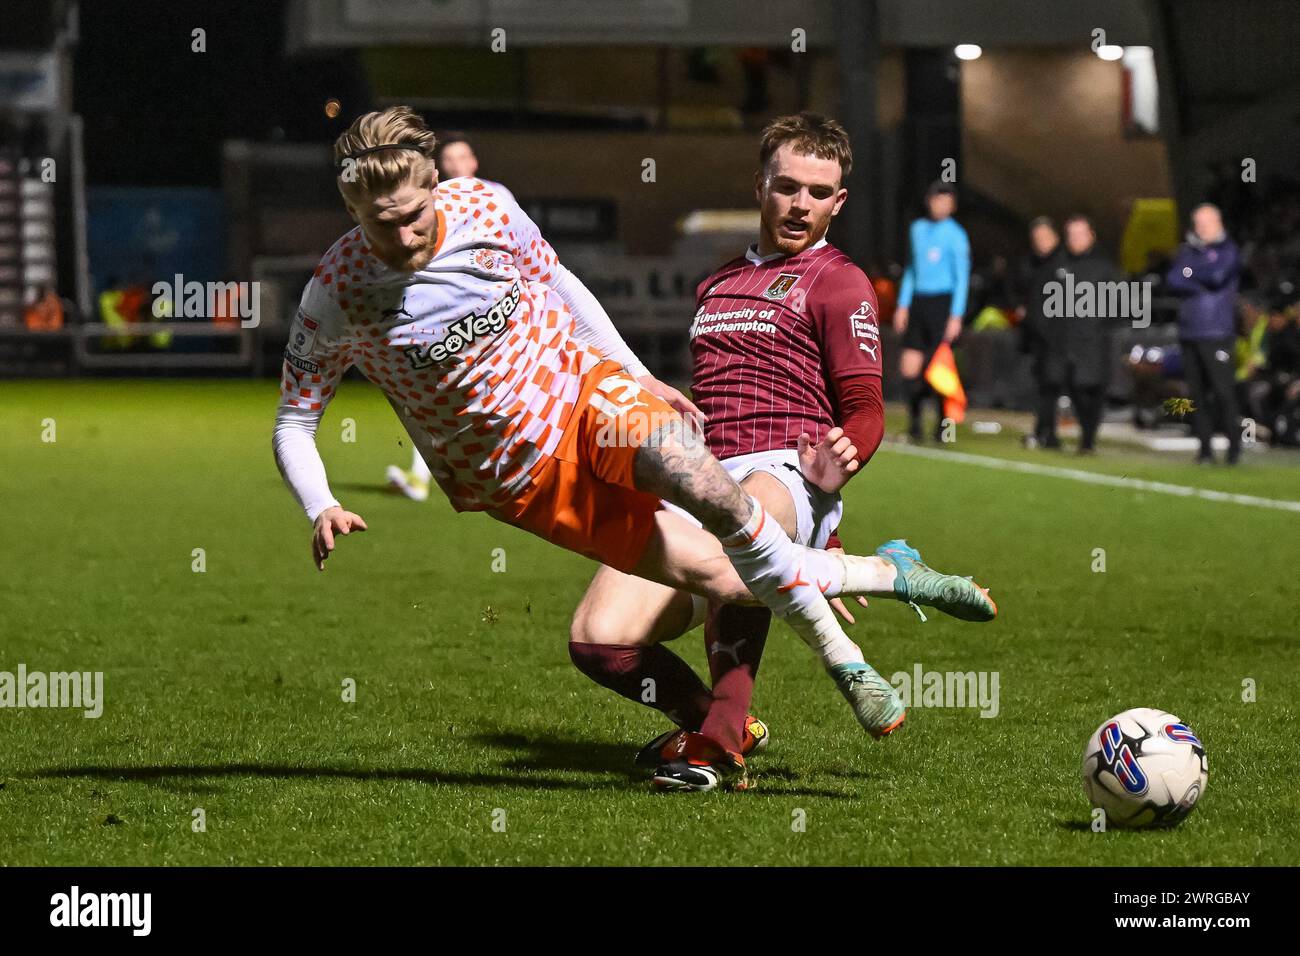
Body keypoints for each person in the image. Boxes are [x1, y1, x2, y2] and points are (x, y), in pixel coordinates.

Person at [271, 107, 998, 774]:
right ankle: (877, 583)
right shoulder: (337, 292)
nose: (402, 238)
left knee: (699, 479)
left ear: (435, 186)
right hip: (514, 479)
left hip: (587, 397)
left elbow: (561, 285)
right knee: (676, 600)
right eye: (379, 224)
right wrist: (319, 504)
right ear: (351, 210)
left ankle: (825, 673)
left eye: (411, 215)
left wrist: (636, 376)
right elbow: (295, 420)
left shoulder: (485, 206)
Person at [568, 112, 996, 790]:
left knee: (742, 557)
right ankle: (725, 711)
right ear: (760, 185)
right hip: (704, 475)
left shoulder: (837, 280)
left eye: (818, 193)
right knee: (600, 638)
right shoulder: (715, 285)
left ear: (838, 201)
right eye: (787, 186)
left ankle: (716, 746)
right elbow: (716, 392)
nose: (801, 205)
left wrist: (841, 460)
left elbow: (864, 408)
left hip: (786, 470)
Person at [384, 131, 512, 501]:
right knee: (431, 391)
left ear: (474, 163)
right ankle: (429, 476)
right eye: (449, 159)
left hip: (489, 311)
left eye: (463, 157)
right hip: (444, 313)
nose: (457, 165)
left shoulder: (495, 195)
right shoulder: (431, 201)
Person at [1165, 203, 1242, 464]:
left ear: (1218, 223)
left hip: (1217, 331)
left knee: (1223, 392)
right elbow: (1174, 278)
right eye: (1198, 223)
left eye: (1206, 223)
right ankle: (1205, 448)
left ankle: (1234, 447)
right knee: (1195, 395)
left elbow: (1217, 276)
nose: (1201, 228)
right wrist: (1196, 273)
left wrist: (1192, 273)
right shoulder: (1188, 250)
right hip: (1190, 331)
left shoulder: (1228, 250)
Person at [893, 181, 970, 442]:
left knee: (939, 367)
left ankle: (941, 427)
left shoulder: (956, 235)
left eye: (947, 201)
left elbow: (962, 278)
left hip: (943, 304)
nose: (941, 206)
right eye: (937, 200)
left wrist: (956, 315)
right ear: (929, 201)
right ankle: (915, 424)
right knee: (909, 368)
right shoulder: (918, 229)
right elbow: (912, 269)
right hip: (919, 303)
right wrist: (903, 305)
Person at [1058, 215, 1119, 454]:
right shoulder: (1061, 266)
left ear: (1091, 235)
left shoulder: (1104, 267)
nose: (1076, 239)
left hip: (1094, 340)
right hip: (1066, 340)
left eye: (1080, 234)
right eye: (1071, 234)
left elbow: (1118, 303)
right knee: (1073, 388)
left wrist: (1100, 325)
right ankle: (1086, 436)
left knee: (1092, 389)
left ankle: (1088, 438)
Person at [1015, 217, 1066, 448]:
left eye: (1045, 237)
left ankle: (1048, 433)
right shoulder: (1031, 264)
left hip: (1059, 338)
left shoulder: (1064, 264)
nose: (1041, 243)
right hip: (1039, 338)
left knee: (1053, 384)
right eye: (1037, 239)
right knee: (1045, 386)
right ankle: (1046, 433)